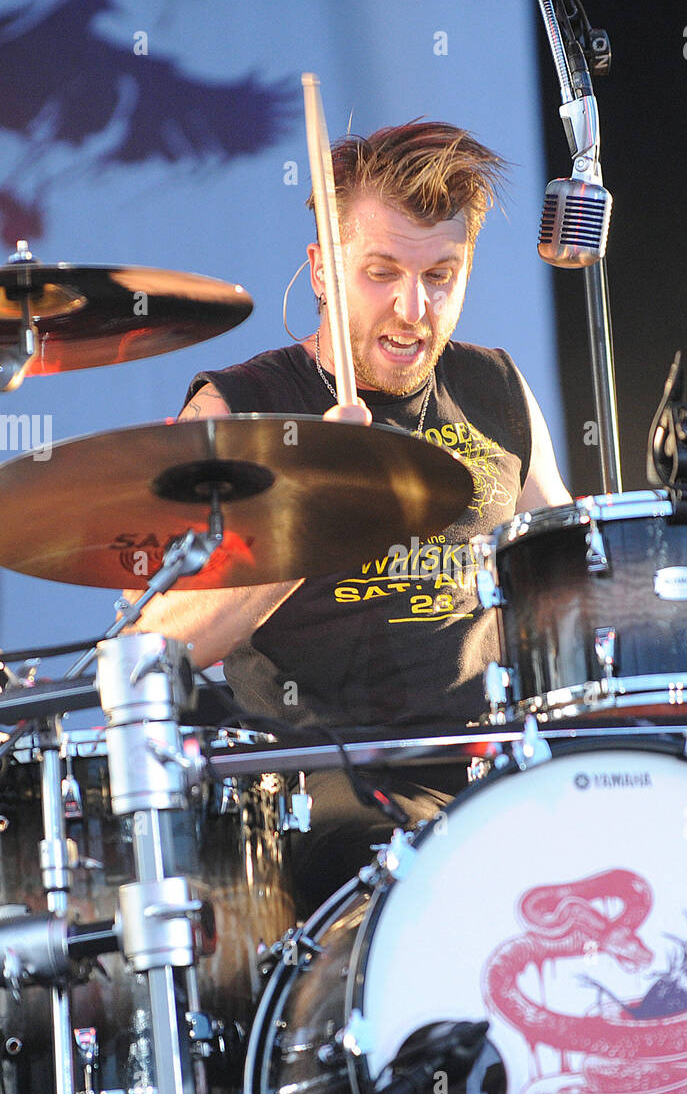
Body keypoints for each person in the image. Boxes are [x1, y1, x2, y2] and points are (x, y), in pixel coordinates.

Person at [134, 121, 571, 911]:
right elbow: (150, 647)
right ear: (323, 271)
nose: (413, 309)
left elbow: (580, 575)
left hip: (496, 769)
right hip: (324, 794)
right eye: (381, 273)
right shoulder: (238, 410)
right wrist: (310, 508)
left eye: (442, 275)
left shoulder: (497, 390)